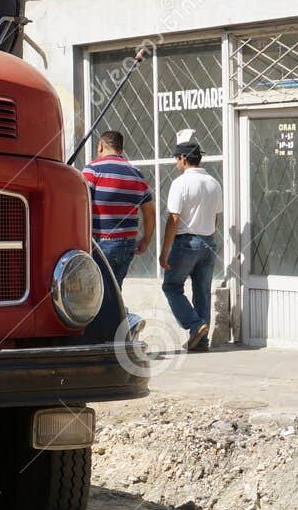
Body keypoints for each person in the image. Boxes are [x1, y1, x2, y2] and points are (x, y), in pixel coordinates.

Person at [159, 139, 223, 352]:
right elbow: (215, 219)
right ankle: (201, 341)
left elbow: (174, 219)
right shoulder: (214, 183)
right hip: (209, 241)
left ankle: (196, 325)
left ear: (184, 159)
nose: (176, 163)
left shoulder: (181, 183)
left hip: (186, 241)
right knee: (202, 290)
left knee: (171, 286)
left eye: (177, 158)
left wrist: (164, 251)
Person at [82, 130, 155, 284]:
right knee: (115, 291)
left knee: (98, 294)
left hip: (101, 244)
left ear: (101, 146)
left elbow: (78, 204)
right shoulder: (137, 174)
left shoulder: (92, 170)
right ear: (120, 149)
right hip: (128, 244)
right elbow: (150, 213)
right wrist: (146, 240)